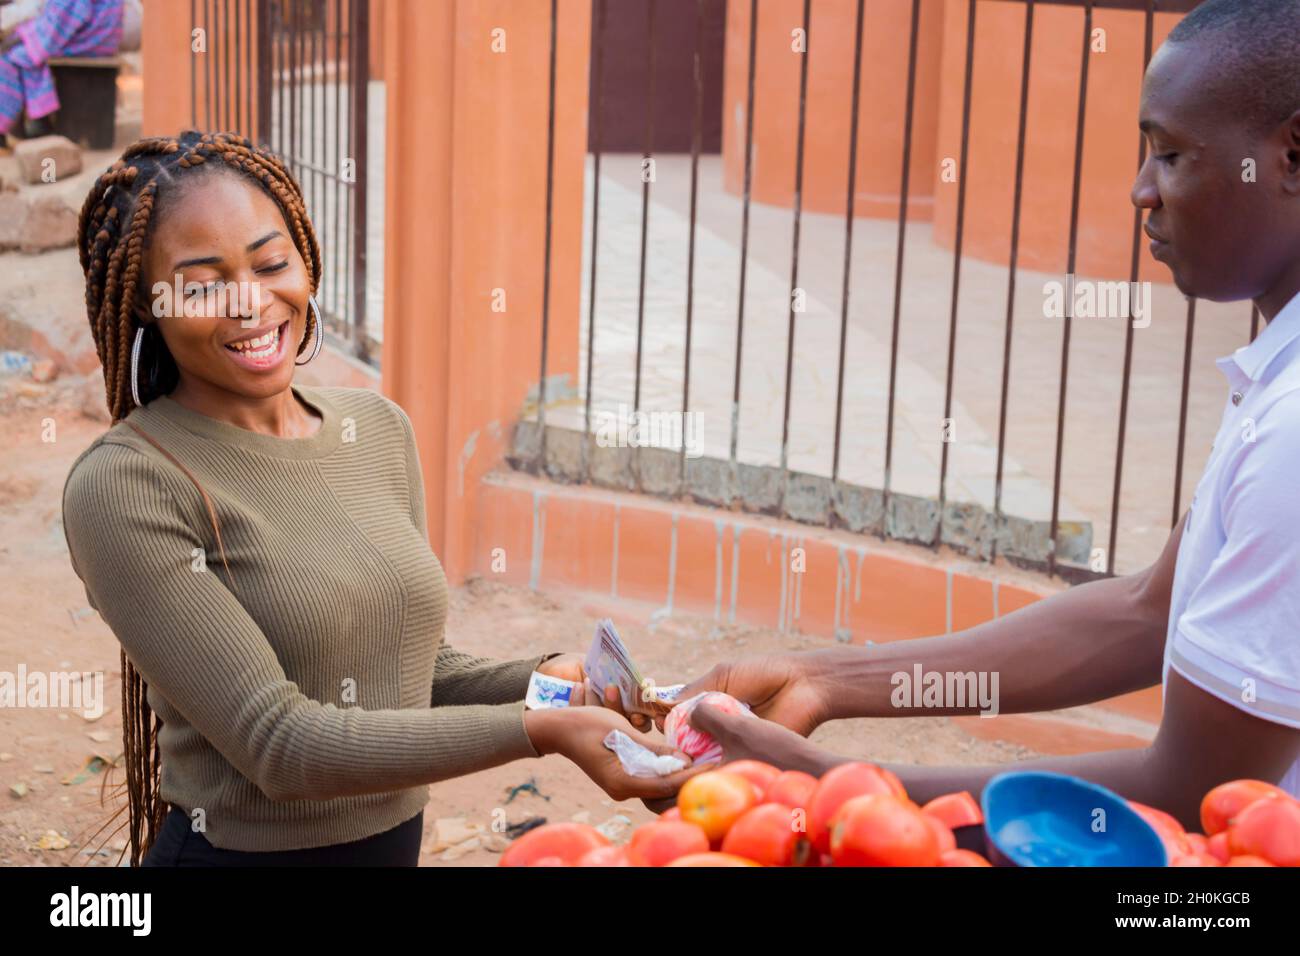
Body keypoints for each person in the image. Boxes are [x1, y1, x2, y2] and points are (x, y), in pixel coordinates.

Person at [664, 0, 1300, 830]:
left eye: (1173, 155)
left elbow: (1196, 789)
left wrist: (833, 782)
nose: (1142, 192)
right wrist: (823, 680)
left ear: (1292, 154)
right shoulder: (1274, 374)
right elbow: (1148, 609)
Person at [63, 130, 698, 867]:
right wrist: (538, 729)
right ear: (146, 302)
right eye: (202, 285)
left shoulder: (376, 428)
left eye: (272, 263)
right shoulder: (127, 485)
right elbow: (279, 744)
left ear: (306, 263)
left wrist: (549, 680)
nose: (251, 303)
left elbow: (411, 675)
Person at [0, 0, 122, 140]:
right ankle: (38, 118)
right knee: (23, 51)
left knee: (14, 57)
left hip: (87, 40)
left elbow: (58, 26)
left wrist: (23, 37)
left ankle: (32, 118)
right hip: (102, 39)